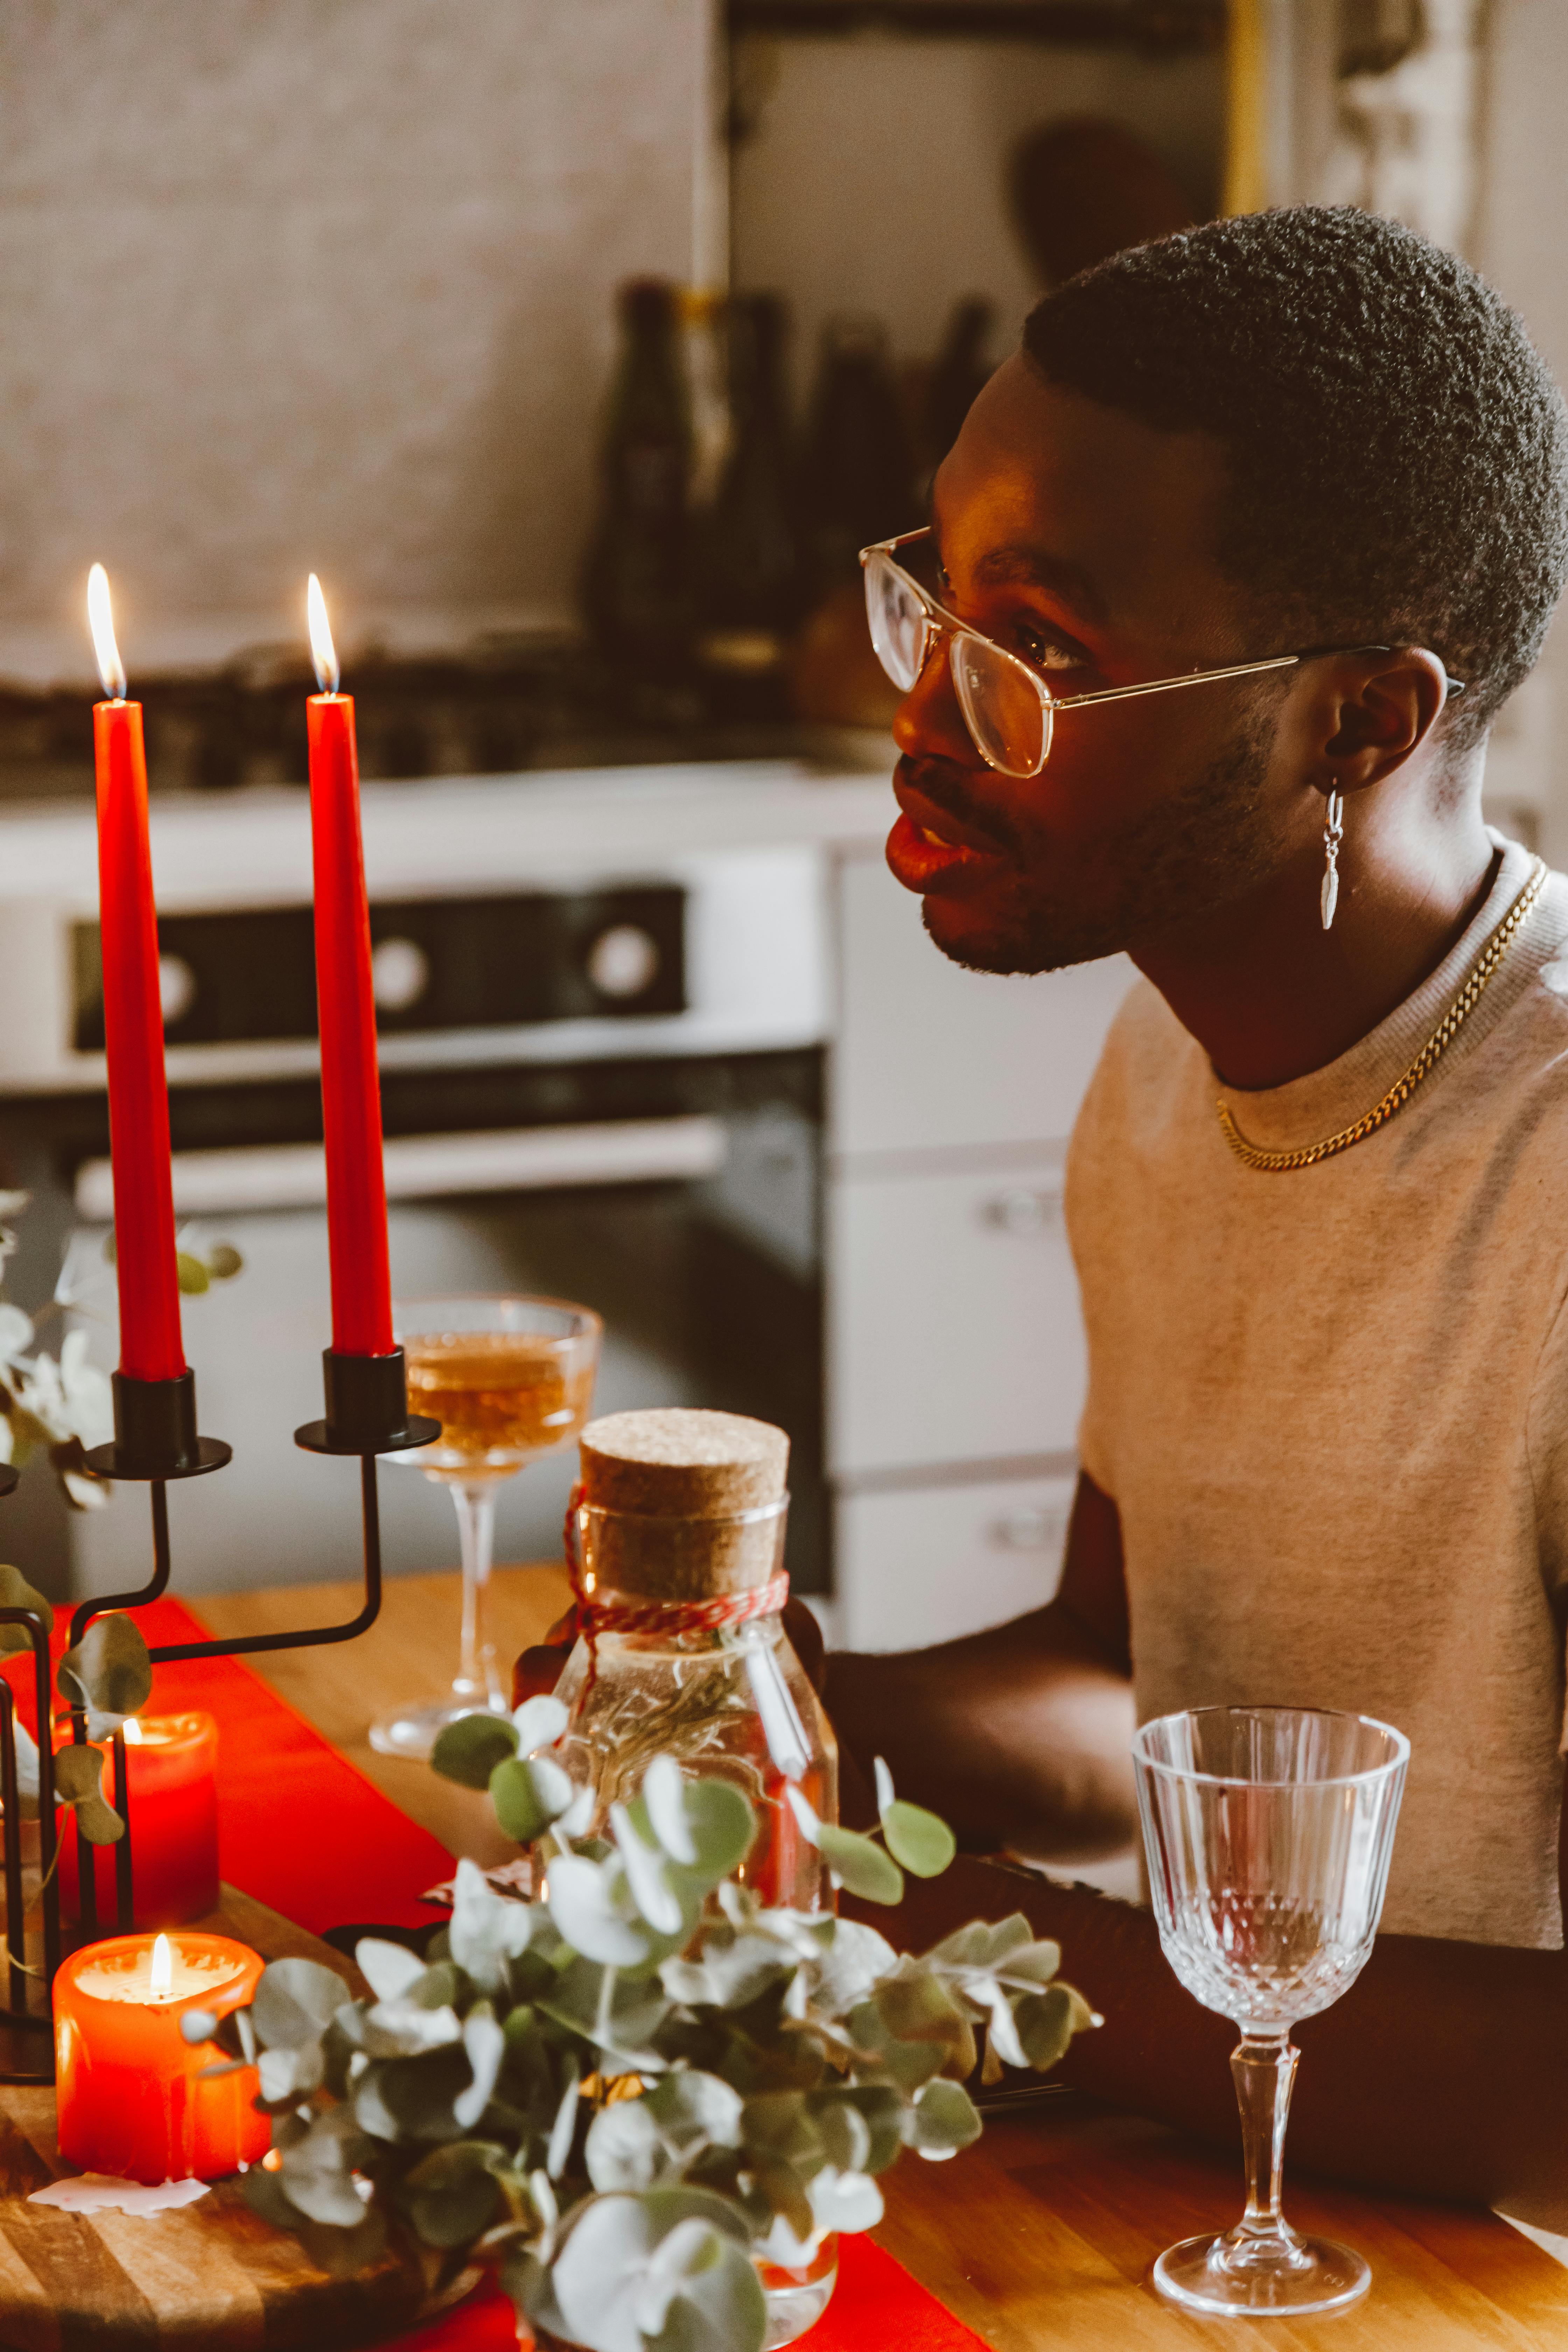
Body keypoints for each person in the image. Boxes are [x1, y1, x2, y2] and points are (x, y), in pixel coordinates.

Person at [827, 205, 1568, 2219]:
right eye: (937, 603)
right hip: (1255, 2207)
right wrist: (776, 1706)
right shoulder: (1166, 1068)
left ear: (1362, 722)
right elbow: (1133, 1684)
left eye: (1041, 655)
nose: (923, 720)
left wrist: (1010, 1972)